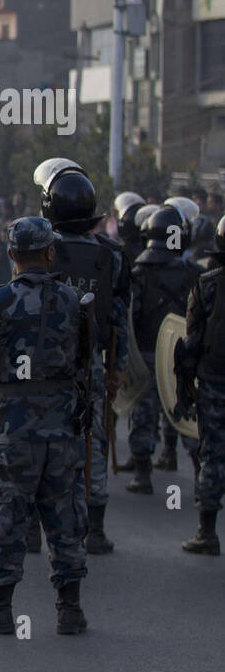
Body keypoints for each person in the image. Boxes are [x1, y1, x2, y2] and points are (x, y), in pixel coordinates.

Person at [0, 217, 88, 635]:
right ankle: (70, 610)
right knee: (64, 515)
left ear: (12, 255)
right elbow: (86, 361)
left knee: (5, 513)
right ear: (50, 254)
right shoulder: (74, 300)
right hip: (62, 426)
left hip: (12, 425)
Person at [37, 161, 128, 554]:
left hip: (45, 364)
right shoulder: (111, 256)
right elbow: (118, 317)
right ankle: (95, 530)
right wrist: (118, 365)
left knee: (38, 440)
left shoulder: (40, 250)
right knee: (93, 440)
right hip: (91, 362)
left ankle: (30, 531)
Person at [126, 206, 199, 493]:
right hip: (183, 356)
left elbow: (133, 318)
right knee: (187, 414)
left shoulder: (140, 275)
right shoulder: (196, 274)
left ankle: (142, 473)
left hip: (148, 355)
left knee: (143, 413)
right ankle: (200, 474)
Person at [174, 213, 225, 556]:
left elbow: (191, 344)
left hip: (215, 384)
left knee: (214, 456)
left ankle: (207, 534)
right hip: (213, 380)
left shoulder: (207, 285)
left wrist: (184, 390)